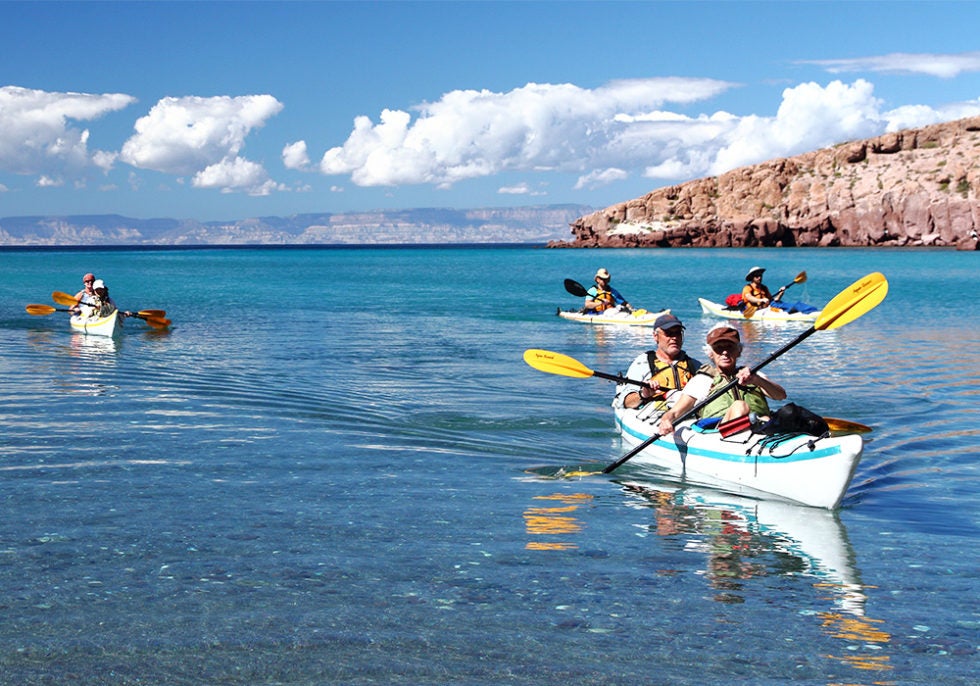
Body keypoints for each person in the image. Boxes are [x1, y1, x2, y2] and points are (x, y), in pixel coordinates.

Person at [657, 324, 786, 435]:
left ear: (739, 351)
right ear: (710, 353)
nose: (724, 352)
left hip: (760, 428)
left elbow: (780, 395)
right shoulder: (702, 380)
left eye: (730, 347)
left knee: (785, 413)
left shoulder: (752, 375)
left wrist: (757, 380)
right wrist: (666, 420)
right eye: (718, 348)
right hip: (721, 434)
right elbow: (675, 412)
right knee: (740, 406)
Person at [617, 313, 702, 411]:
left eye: (678, 333)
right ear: (655, 336)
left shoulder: (694, 365)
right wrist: (644, 394)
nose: (674, 338)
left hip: (689, 413)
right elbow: (627, 402)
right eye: (669, 333)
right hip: (655, 415)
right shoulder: (643, 364)